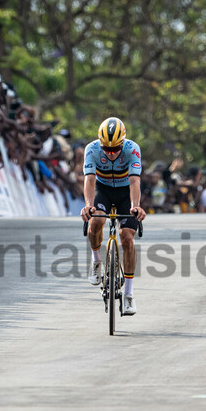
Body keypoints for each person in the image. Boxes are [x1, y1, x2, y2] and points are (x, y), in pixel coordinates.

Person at [80, 117, 146, 315]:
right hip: (104, 191)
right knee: (96, 221)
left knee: (127, 239)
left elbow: (134, 182)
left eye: (115, 149)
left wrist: (136, 206)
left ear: (123, 142)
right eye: (106, 149)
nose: (110, 153)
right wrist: (89, 206)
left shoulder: (132, 149)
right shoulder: (91, 149)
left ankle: (128, 295)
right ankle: (96, 260)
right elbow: (89, 181)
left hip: (126, 192)